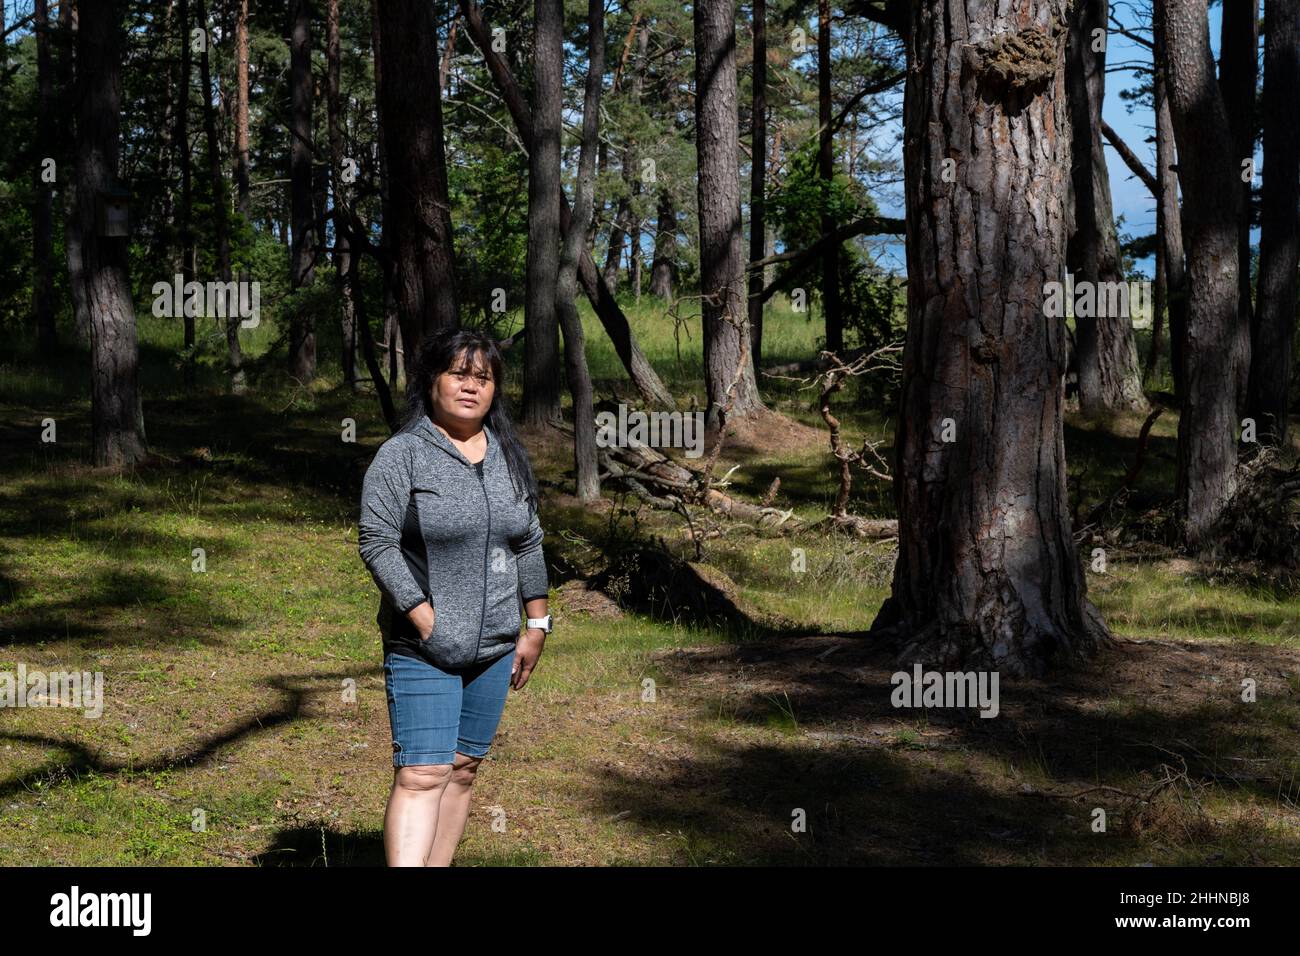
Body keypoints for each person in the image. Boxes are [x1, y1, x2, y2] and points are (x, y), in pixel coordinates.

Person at [358, 327, 551, 866]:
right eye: (458, 374)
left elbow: (528, 540)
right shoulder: (403, 455)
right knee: (423, 772)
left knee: (463, 769)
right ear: (432, 381)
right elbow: (377, 542)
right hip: (423, 645)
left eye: (483, 378)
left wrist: (537, 625)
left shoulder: (508, 455)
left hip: (494, 646)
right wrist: (425, 620)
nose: (471, 387)